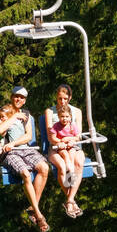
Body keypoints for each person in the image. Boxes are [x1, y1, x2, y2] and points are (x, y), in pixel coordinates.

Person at [0, 86, 49, 232]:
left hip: (24, 148)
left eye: (22, 98)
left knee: (44, 168)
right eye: (16, 96)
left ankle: (33, 207)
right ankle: (39, 215)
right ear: (12, 97)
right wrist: (13, 117)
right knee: (25, 173)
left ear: (25, 100)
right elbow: (0, 131)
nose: (18, 99)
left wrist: (14, 142)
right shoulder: (3, 112)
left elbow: (28, 136)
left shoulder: (26, 114)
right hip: (9, 153)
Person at [45, 84, 85, 218]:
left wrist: (71, 140)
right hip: (56, 146)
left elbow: (78, 134)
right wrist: (59, 142)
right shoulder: (50, 112)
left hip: (72, 145)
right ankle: (71, 201)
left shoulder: (76, 112)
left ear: (70, 98)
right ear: (56, 97)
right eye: (60, 98)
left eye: (65, 99)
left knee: (78, 163)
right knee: (63, 166)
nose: (62, 101)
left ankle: (69, 200)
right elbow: (51, 136)